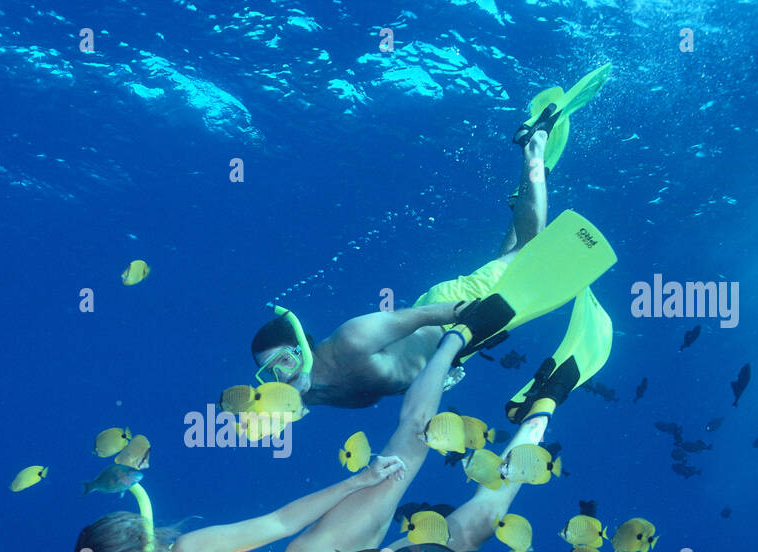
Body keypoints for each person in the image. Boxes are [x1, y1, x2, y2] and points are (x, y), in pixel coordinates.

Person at [73, 289, 604, 552]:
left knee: (411, 444)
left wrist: (356, 481)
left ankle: (456, 337)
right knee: (473, 534)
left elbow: (279, 522)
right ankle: (543, 404)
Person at [251, 65, 611, 410]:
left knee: (533, 253)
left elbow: (422, 315)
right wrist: (443, 370)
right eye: (269, 373)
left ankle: (535, 146)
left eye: (282, 361)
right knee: (514, 255)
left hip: (450, 313)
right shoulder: (311, 395)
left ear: (301, 347)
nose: (280, 376)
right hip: (455, 344)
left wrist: (474, 316)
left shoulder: (351, 341)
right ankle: (529, 187)